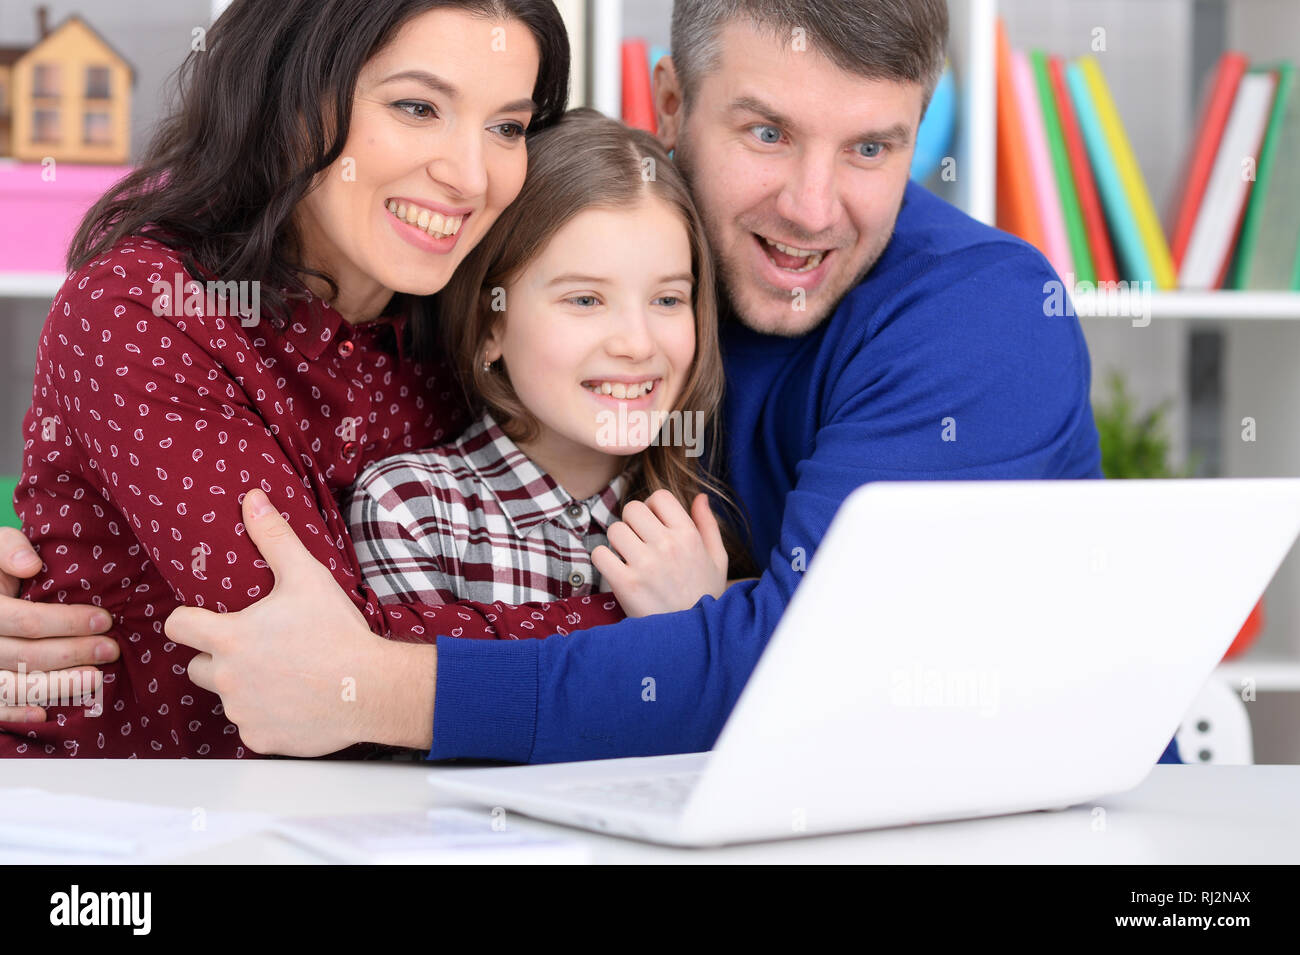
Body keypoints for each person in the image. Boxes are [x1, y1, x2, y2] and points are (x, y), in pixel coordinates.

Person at [2, 0, 1180, 764]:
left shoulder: (973, 318)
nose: (814, 207)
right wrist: (709, 636)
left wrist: (381, 685)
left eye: (871, 147)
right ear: (668, 108)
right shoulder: (474, 285)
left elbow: (839, 668)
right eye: (765, 132)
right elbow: (294, 632)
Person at [0, 0, 608, 757]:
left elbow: (383, 671)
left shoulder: (467, 328)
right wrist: (664, 634)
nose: (470, 175)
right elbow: (326, 670)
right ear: (291, 95)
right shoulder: (145, 308)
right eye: (417, 107)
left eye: (508, 126)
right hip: (125, 825)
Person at [350, 108, 755, 613]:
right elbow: (439, 693)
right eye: (585, 300)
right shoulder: (411, 510)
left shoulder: (708, 525)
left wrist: (708, 612)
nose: (637, 343)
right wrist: (686, 633)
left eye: (668, 300)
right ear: (490, 325)